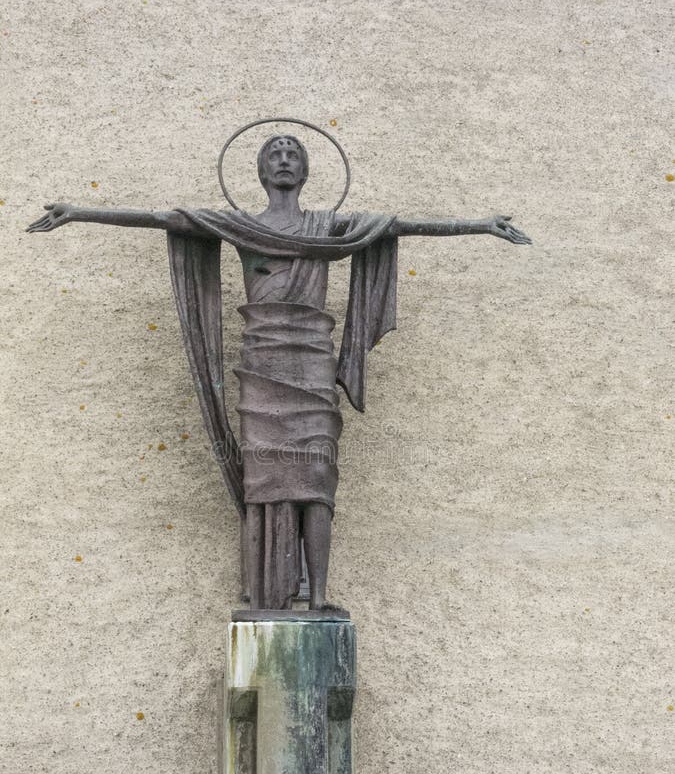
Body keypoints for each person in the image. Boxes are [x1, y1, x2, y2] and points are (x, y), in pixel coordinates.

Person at [27, 134, 531, 610]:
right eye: (275, 152)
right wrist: (81, 212)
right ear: (262, 170)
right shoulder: (242, 225)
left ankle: (318, 597)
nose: (285, 158)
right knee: (264, 482)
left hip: (312, 362)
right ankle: (264, 590)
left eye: (294, 152)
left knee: (317, 479)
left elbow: (395, 226)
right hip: (262, 366)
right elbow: (165, 218)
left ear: (306, 171)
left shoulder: (327, 225)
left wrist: (481, 224)